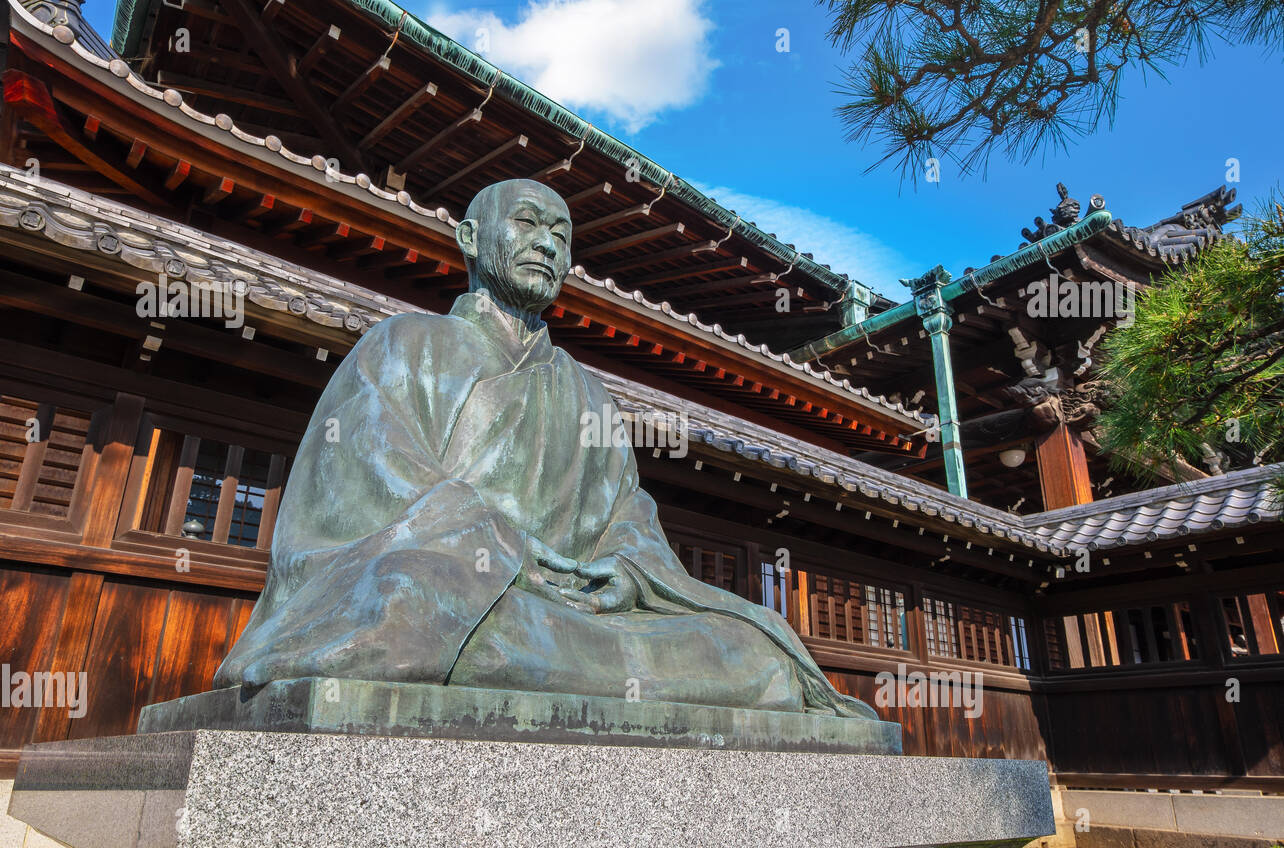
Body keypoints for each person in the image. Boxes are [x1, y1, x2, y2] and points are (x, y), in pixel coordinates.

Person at [213, 179, 877, 719]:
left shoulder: (589, 393)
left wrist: (628, 574)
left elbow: (627, 513)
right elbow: (370, 477)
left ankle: (557, 657)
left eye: (561, 236)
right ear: (470, 238)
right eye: (528, 223)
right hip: (464, 584)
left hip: (573, 610)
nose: (548, 245)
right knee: (410, 597)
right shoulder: (402, 343)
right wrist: (503, 551)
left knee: (749, 643)